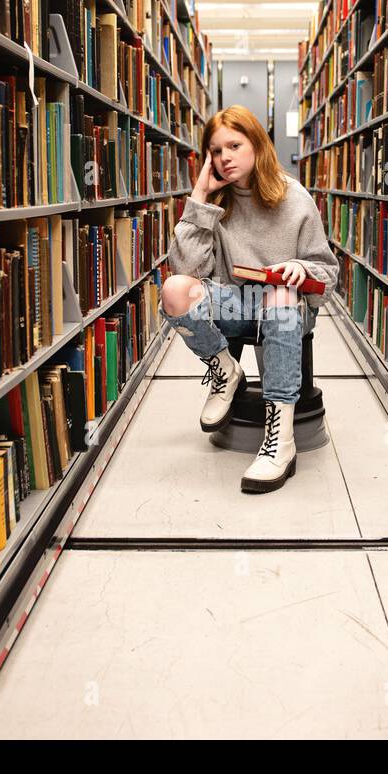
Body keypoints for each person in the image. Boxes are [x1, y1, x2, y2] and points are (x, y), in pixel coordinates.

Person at [159, 105, 339, 494]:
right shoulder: (215, 203)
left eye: (234, 145)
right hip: (236, 306)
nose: (225, 157)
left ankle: (281, 441)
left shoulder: (295, 198)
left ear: (257, 144)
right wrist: (200, 198)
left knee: (279, 294)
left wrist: (300, 270)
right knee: (175, 289)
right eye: (215, 150)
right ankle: (226, 372)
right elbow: (187, 268)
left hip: (286, 308)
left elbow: (329, 273)